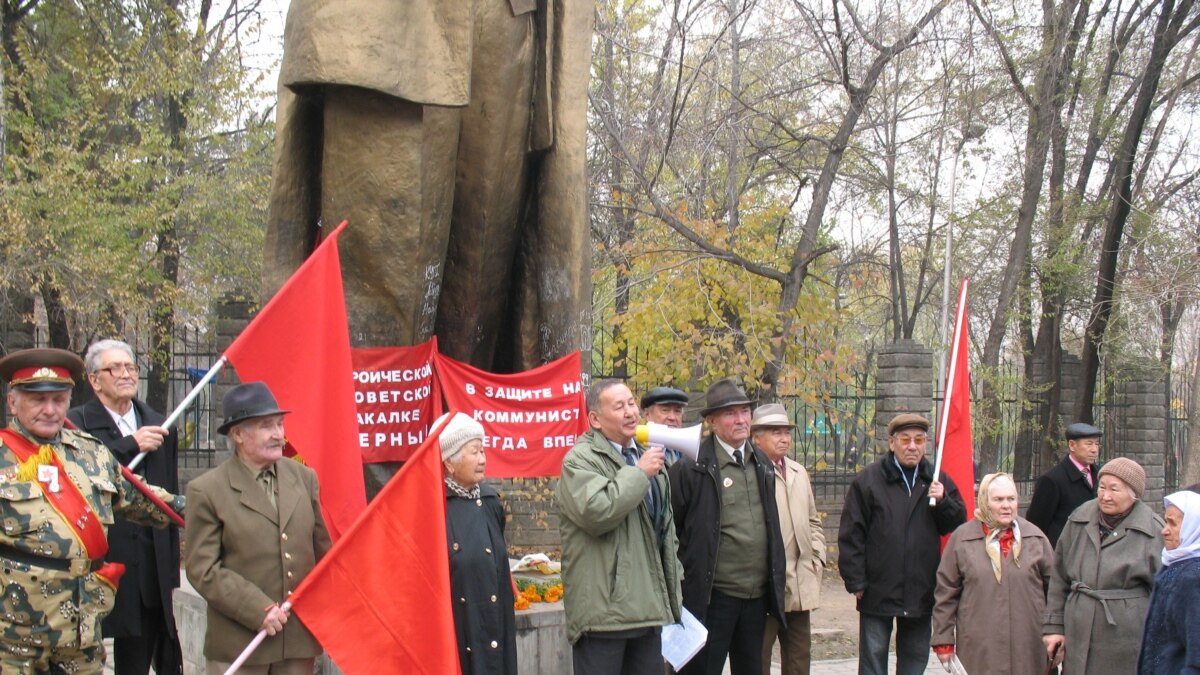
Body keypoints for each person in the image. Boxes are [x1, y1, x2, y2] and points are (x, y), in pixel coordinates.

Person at [265, 0, 591, 372]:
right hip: (376, 30)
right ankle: (370, 421)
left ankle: (461, 426)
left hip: (510, 22)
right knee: (379, 286)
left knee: (476, 305)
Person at [0, 347, 184, 673]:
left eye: (58, 400)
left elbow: (144, 500)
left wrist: (207, 510)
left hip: (80, 634)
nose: (49, 409)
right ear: (13, 403)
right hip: (14, 635)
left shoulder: (91, 454)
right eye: (37, 400)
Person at [185, 382, 332, 675]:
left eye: (280, 424)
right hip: (240, 643)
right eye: (267, 426)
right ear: (237, 434)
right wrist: (257, 610)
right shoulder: (207, 490)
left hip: (297, 640)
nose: (279, 434)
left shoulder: (304, 477)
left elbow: (323, 552)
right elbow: (203, 570)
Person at [67, 339, 182, 675]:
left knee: (154, 653)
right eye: (114, 368)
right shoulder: (76, 424)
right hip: (105, 555)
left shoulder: (160, 424)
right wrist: (130, 444)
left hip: (151, 559)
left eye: (130, 367)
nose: (125, 374)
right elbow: (84, 475)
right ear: (94, 379)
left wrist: (171, 564)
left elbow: (168, 496)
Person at [557, 380, 682, 674]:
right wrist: (639, 474)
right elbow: (597, 512)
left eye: (630, 403)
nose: (630, 412)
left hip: (648, 611)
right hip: (604, 616)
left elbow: (664, 529)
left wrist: (674, 582)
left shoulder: (644, 456)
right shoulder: (579, 461)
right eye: (618, 406)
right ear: (595, 420)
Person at [668, 379, 786, 675]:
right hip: (711, 599)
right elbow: (673, 533)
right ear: (712, 421)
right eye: (731, 413)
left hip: (755, 598)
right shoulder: (691, 468)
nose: (741, 420)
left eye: (745, 412)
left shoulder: (761, 463)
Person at [837, 413, 966, 675]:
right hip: (878, 586)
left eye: (919, 440)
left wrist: (943, 501)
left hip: (921, 587)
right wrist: (855, 579)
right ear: (892, 442)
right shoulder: (869, 481)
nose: (912, 446)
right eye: (905, 440)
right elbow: (852, 533)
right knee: (873, 658)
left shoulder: (935, 478)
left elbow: (957, 521)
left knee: (915, 658)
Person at [1043, 457, 1162, 674]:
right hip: (1078, 631)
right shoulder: (1079, 519)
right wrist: (1054, 627)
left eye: (1114, 489)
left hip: (1126, 639)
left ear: (1133, 493)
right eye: (1102, 487)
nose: (1105, 496)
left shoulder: (1152, 530)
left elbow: (1164, 594)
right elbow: (1059, 577)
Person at [931, 473, 1054, 674]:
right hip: (980, 645)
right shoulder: (963, 539)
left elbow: (1055, 591)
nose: (1006, 505)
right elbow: (946, 592)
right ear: (985, 502)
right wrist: (943, 639)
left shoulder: (1035, 538)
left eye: (1011, 499)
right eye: (998, 500)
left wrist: (1057, 633)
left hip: (1028, 643)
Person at [439, 411, 517, 675]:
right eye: (474, 452)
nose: (483, 459)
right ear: (449, 463)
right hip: (459, 625)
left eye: (483, 451)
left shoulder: (490, 501)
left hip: (495, 620)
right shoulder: (437, 506)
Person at [752, 403, 825, 675]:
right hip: (765, 586)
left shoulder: (798, 472)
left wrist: (816, 557)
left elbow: (813, 521)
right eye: (775, 432)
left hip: (800, 581)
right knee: (757, 659)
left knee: (798, 660)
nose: (784, 439)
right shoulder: (751, 473)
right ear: (756, 437)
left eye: (786, 432)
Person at [1137, 490, 1200, 674]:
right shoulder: (1176, 565)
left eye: (1173, 524)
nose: (1164, 530)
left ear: (1194, 527)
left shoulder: (1193, 577)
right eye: (1166, 521)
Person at [1026, 422, 1102, 546]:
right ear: (1072, 445)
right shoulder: (1052, 480)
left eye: (1097, 444)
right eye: (1089, 444)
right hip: (1063, 553)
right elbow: (1036, 524)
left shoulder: (1100, 475)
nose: (1094, 449)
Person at [641, 385, 689, 465]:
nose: (673, 417)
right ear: (647, 415)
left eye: (677, 411)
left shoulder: (682, 451)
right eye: (665, 410)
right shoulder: (636, 451)